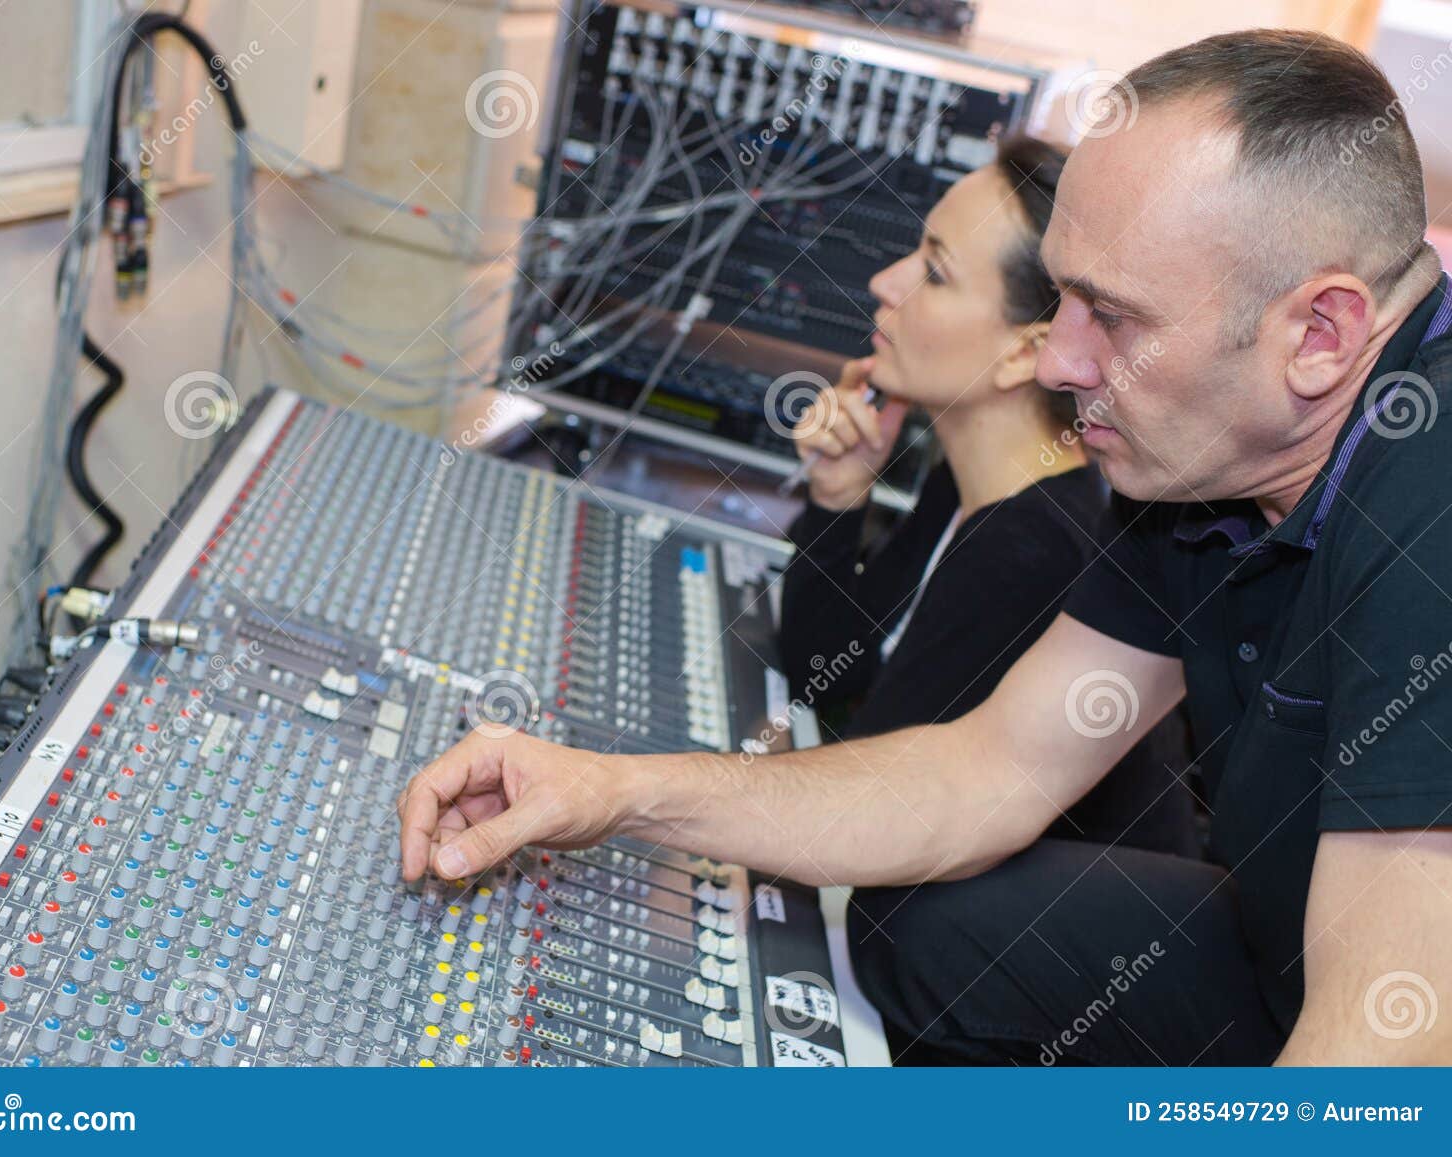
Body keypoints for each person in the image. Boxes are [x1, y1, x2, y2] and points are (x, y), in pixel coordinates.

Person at [399, 30, 1452, 1066]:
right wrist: (615, 789)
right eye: (1063, 296)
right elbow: (990, 767)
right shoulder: (1194, 460)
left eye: (1114, 318)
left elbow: (1378, 1057)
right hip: (1287, 951)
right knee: (926, 930)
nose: (1065, 359)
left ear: (1318, 336)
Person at [778, 135, 1194, 856]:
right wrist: (839, 493)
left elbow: (865, 811)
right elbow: (829, 675)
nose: (886, 280)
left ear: (1026, 353)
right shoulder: (973, 478)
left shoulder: (1034, 551)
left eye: (934, 272)